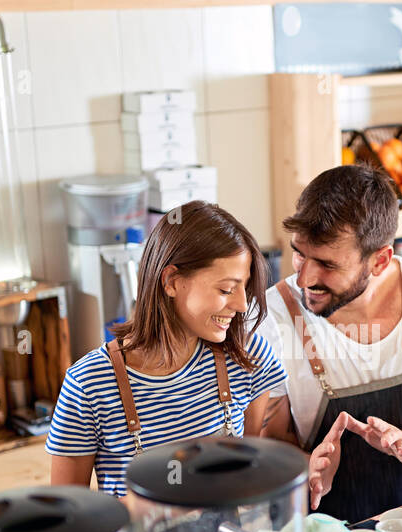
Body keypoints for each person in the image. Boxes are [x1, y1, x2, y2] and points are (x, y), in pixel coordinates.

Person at [257, 165, 402, 521]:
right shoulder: (272, 314)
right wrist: (310, 467)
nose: (304, 277)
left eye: (327, 264)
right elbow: (268, 441)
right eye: (299, 253)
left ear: (380, 260)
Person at [47, 201, 285, 494]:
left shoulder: (248, 357)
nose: (241, 305)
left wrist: (310, 463)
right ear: (172, 282)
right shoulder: (88, 384)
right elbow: (71, 513)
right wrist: (143, 509)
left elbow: (255, 475)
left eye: (243, 288)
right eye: (226, 289)